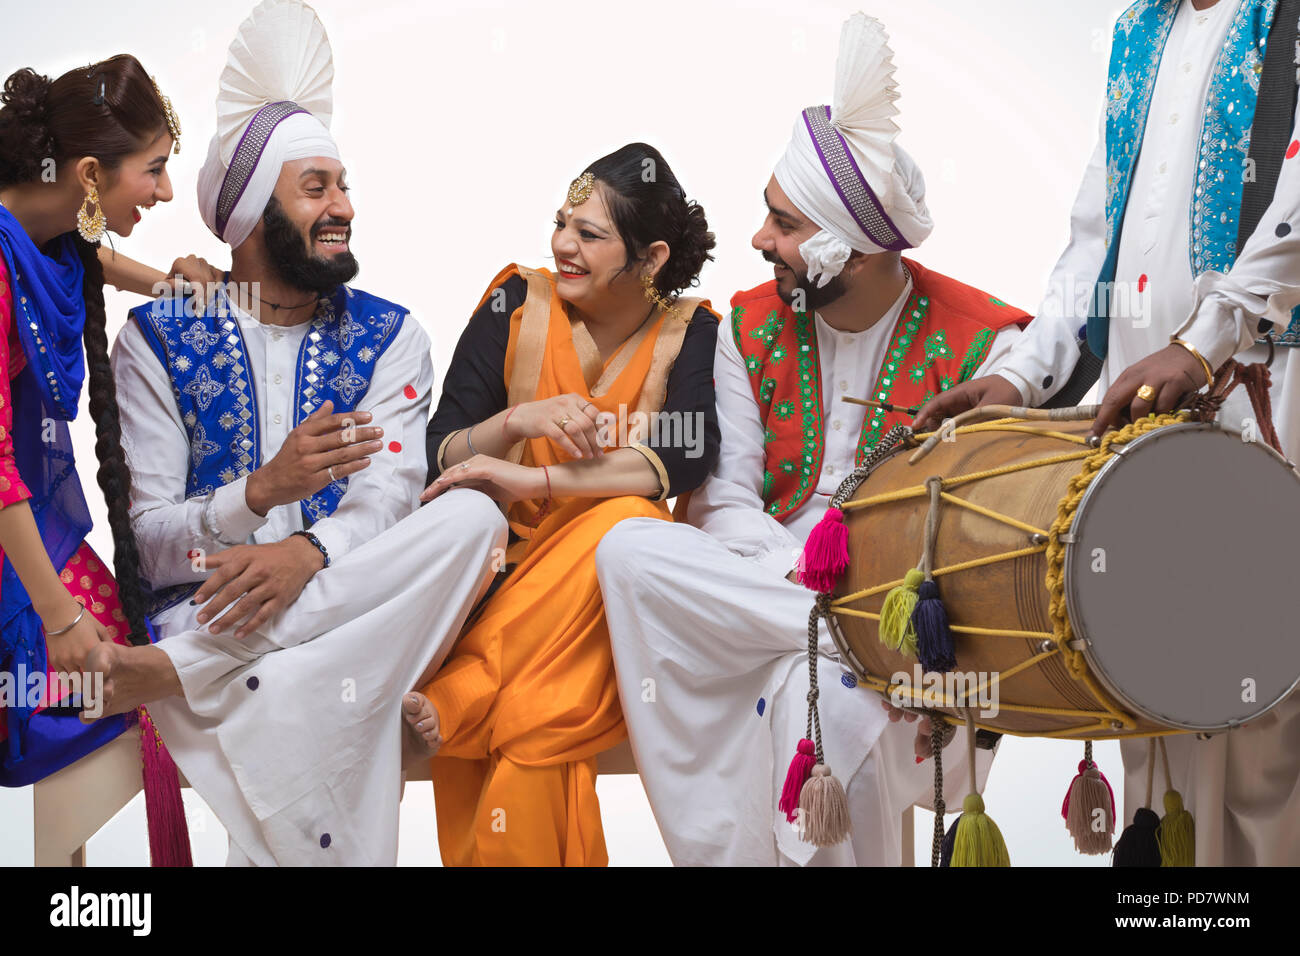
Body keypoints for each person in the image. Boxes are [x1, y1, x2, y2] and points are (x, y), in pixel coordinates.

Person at [595, 13, 1024, 866]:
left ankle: (836, 648)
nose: (759, 241)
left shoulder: (989, 347)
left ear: (853, 254)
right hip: (771, 588)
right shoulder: (744, 326)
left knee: (817, 697)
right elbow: (723, 501)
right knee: (628, 550)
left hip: (916, 630)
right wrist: (810, 596)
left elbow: (989, 533)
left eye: (783, 225)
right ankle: (835, 634)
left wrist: (881, 616)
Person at [89, 0, 507, 866]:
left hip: (294, 632)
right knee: (316, 692)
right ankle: (210, 661)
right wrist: (259, 496)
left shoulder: (393, 337)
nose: (342, 206)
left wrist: (306, 550)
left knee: (474, 522)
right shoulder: (160, 341)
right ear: (250, 216)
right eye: (315, 188)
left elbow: (391, 504)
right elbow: (154, 550)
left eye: (344, 185)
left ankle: (185, 671)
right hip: (224, 618)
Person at [913, 0, 1300, 866]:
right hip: (1142, 415)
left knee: (1266, 713)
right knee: (1155, 689)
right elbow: (1095, 237)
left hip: (1276, 389)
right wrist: (1023, 373)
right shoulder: (1138, 30)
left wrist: (1203, 343)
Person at [406, 142, 720, 866]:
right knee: (549, 705)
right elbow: (442, 450)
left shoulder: (691, 330)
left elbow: (685, 456)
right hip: (501, 581)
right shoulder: (515, 301)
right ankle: (479, 681)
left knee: (629, 525)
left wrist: (538, 482)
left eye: (590, 234)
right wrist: (518, 423)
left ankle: (473, 688)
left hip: (611, 600)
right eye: (562, 224)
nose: (562, 245)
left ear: (650, 258)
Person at [0, 54, 196, 863]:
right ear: (88, 174)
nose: (166, 193)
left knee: (133, 678)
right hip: (12, 519)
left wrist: (174, 287)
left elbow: (86, 259)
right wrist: (59, 616)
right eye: (153, 170)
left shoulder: (47, 228)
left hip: (29, 526)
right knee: (90, 684)